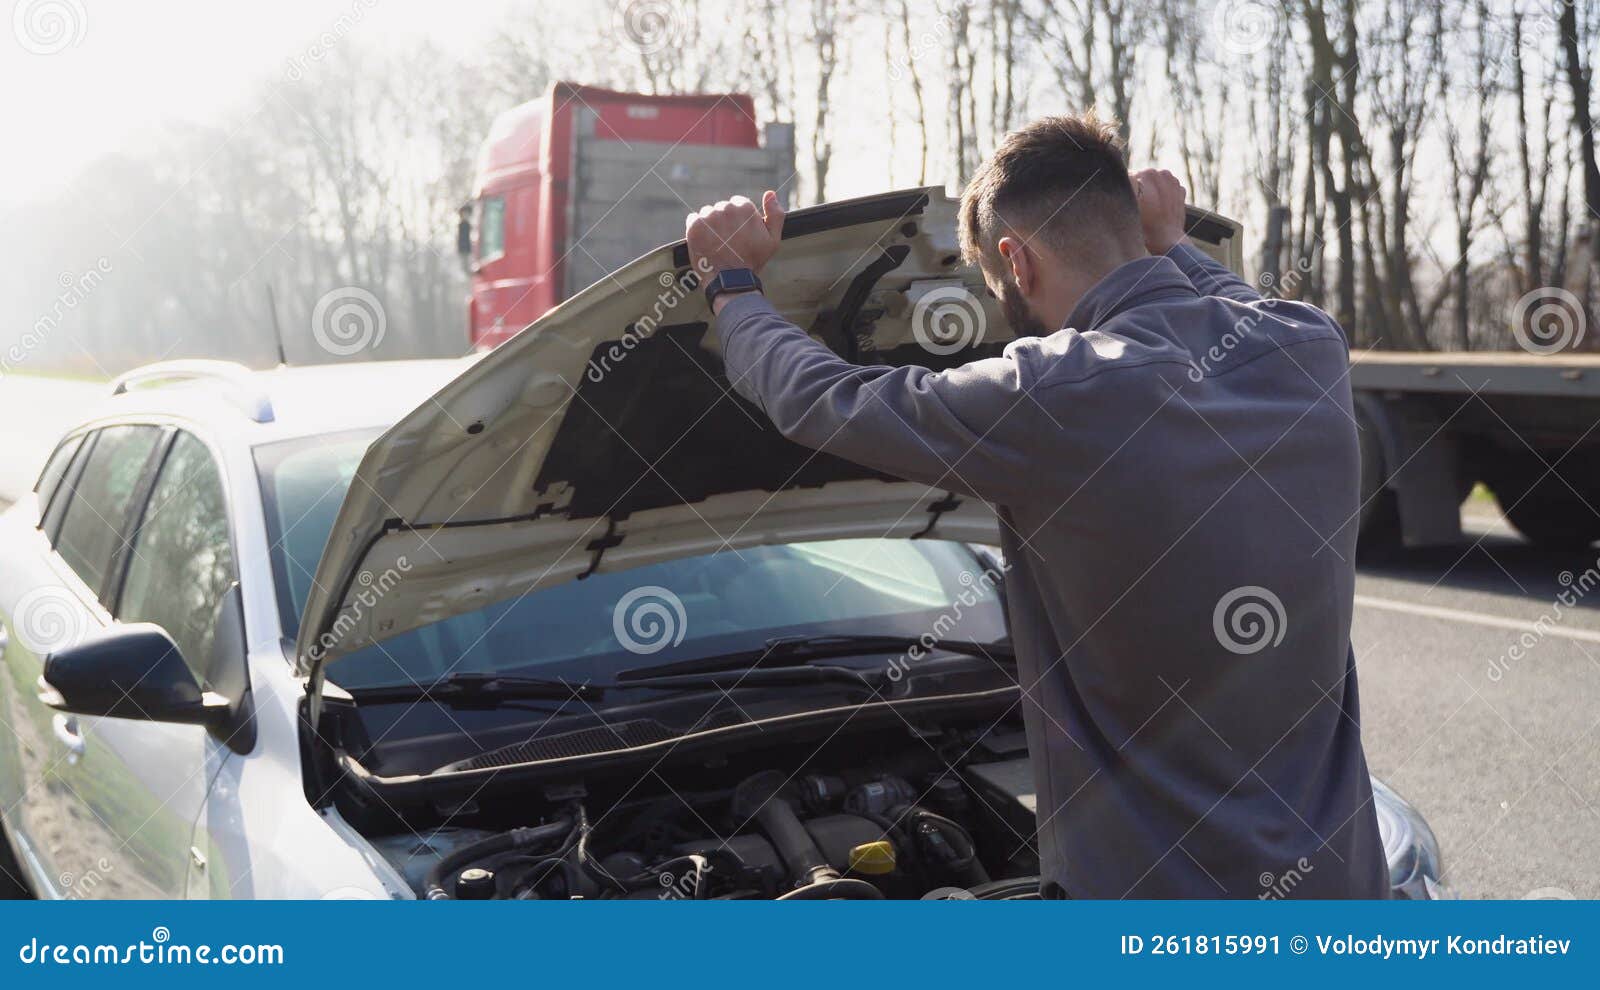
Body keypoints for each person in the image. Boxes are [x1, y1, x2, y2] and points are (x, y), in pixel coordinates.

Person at [684, 113, 1388, 899]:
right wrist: (1171, 241)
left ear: (1016, 261)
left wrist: (732, 287)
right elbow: (1230, 301)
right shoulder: (1308, 345)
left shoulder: (1056, 393)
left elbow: (825, 400)